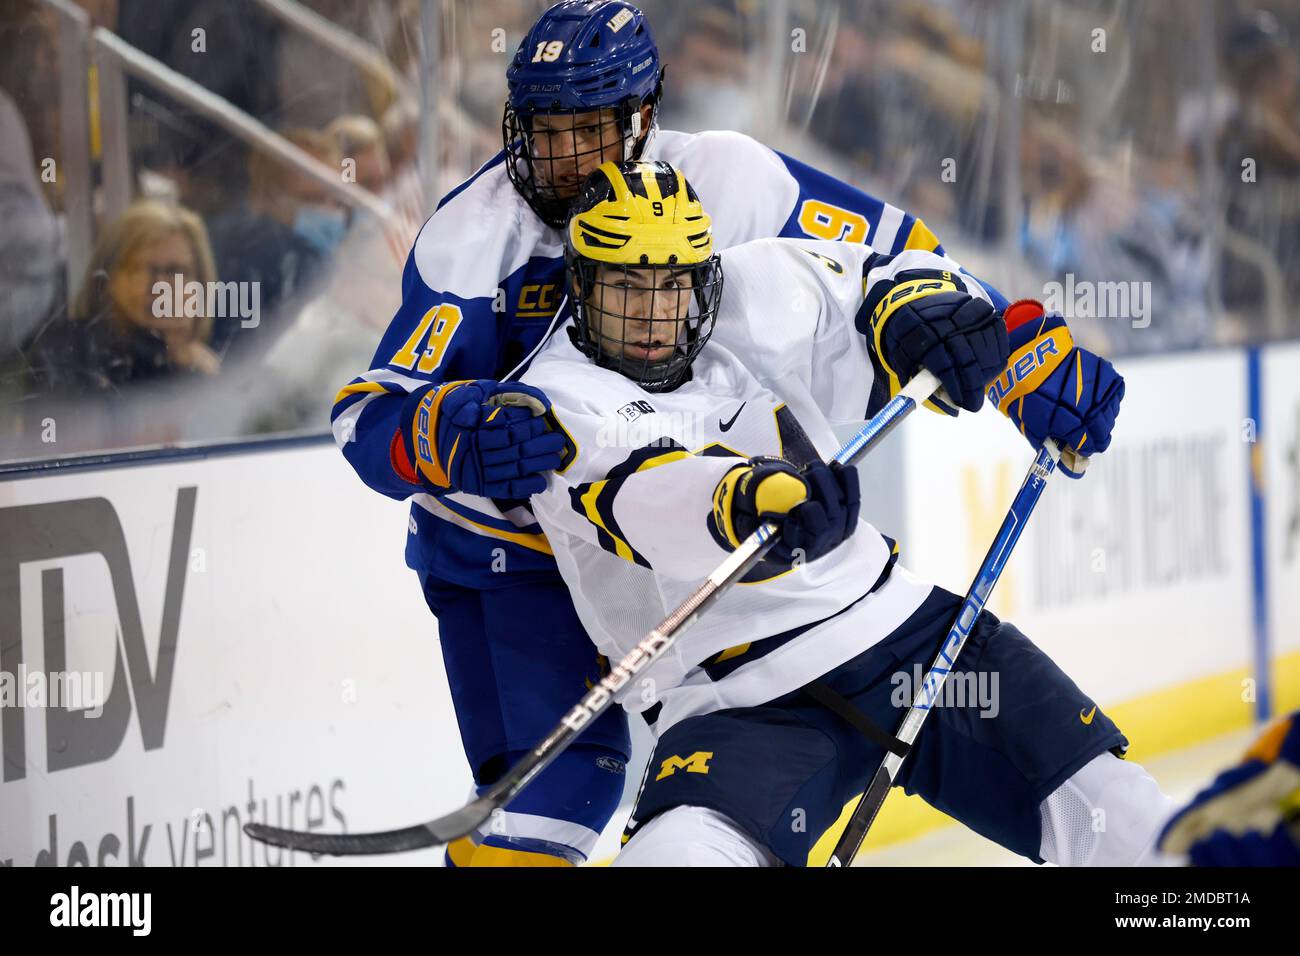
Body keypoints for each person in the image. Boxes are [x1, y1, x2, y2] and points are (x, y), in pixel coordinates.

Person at [332, 0, 1005, 868]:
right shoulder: (475, 237)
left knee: (730, 769)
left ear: (643, 116)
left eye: (591, 129)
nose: (565, 157)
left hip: (667, 541)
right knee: (561, 803)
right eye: (545, 130)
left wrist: (971, 329)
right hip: (515, 562)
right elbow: (365, 419)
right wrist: (447, 432)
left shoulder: (725, 179)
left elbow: (902, 254)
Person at [521, 158, 1173, 867]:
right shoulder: (558, 398)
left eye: (673, 283)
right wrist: (751, 498)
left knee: (1135, 824)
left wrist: (971, 340)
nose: (652, 313)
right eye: (624, 285)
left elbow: (885, 278)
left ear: (701, 278)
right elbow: (643, 494)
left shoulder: (754, 289)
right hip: (736, 702)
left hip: (913, 637)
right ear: (582, 286)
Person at [26, 199, 220, 394]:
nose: (163, 287)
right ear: (110, 278)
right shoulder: (68, 356)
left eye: (177, 271)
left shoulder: (207, 363)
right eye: (146, 269)